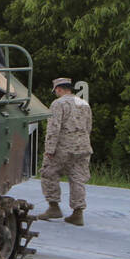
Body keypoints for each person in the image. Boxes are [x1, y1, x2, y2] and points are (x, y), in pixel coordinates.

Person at [38, 76, 92, 226]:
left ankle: (53, 207)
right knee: (77, 178)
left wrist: (49, 148)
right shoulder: (84, 103)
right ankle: (78, 213)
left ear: (59, 89)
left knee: (48, 173)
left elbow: (54, 127)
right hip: (82, 147)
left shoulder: (58, 104)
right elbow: (89, 126)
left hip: (63, 147)